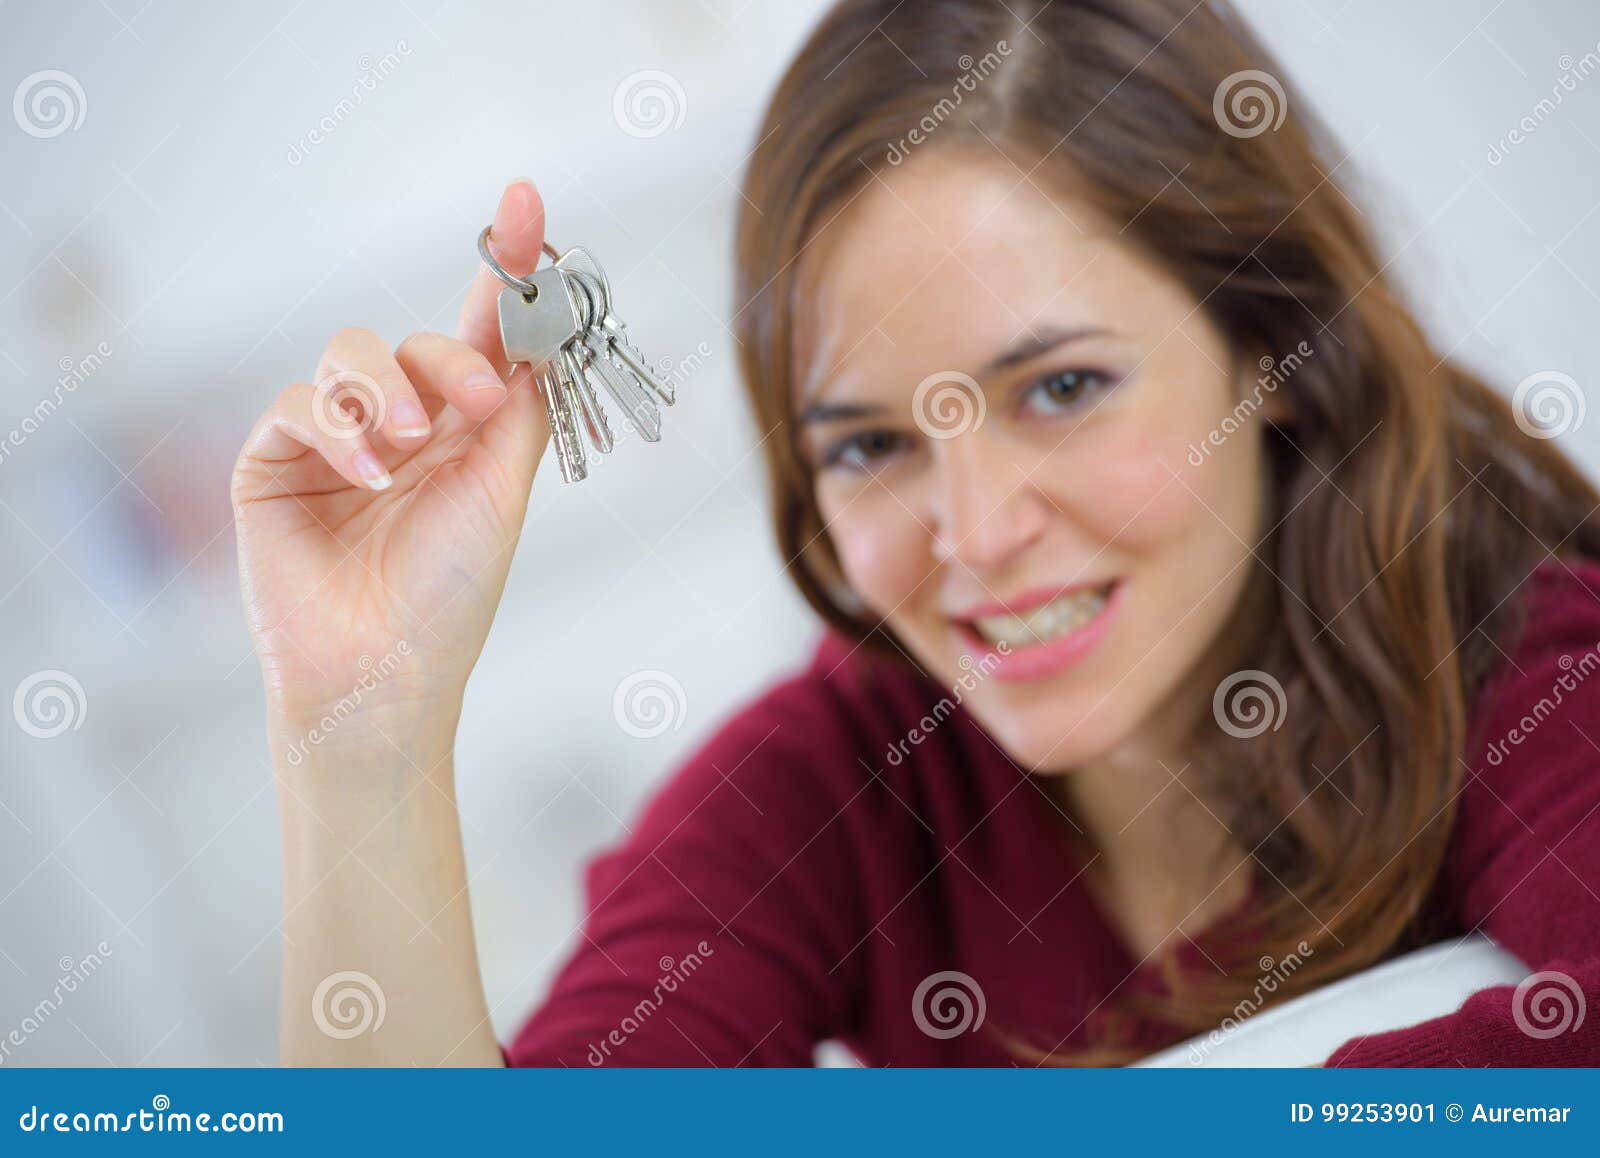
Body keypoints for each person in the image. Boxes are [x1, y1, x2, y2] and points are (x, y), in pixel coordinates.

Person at [230, 0, 1600, 1066]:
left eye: (1062, 388)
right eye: (873, 444)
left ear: (1276, 347)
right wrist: (360, 732)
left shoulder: (1522, 659)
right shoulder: (837, 779)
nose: (979, 532)